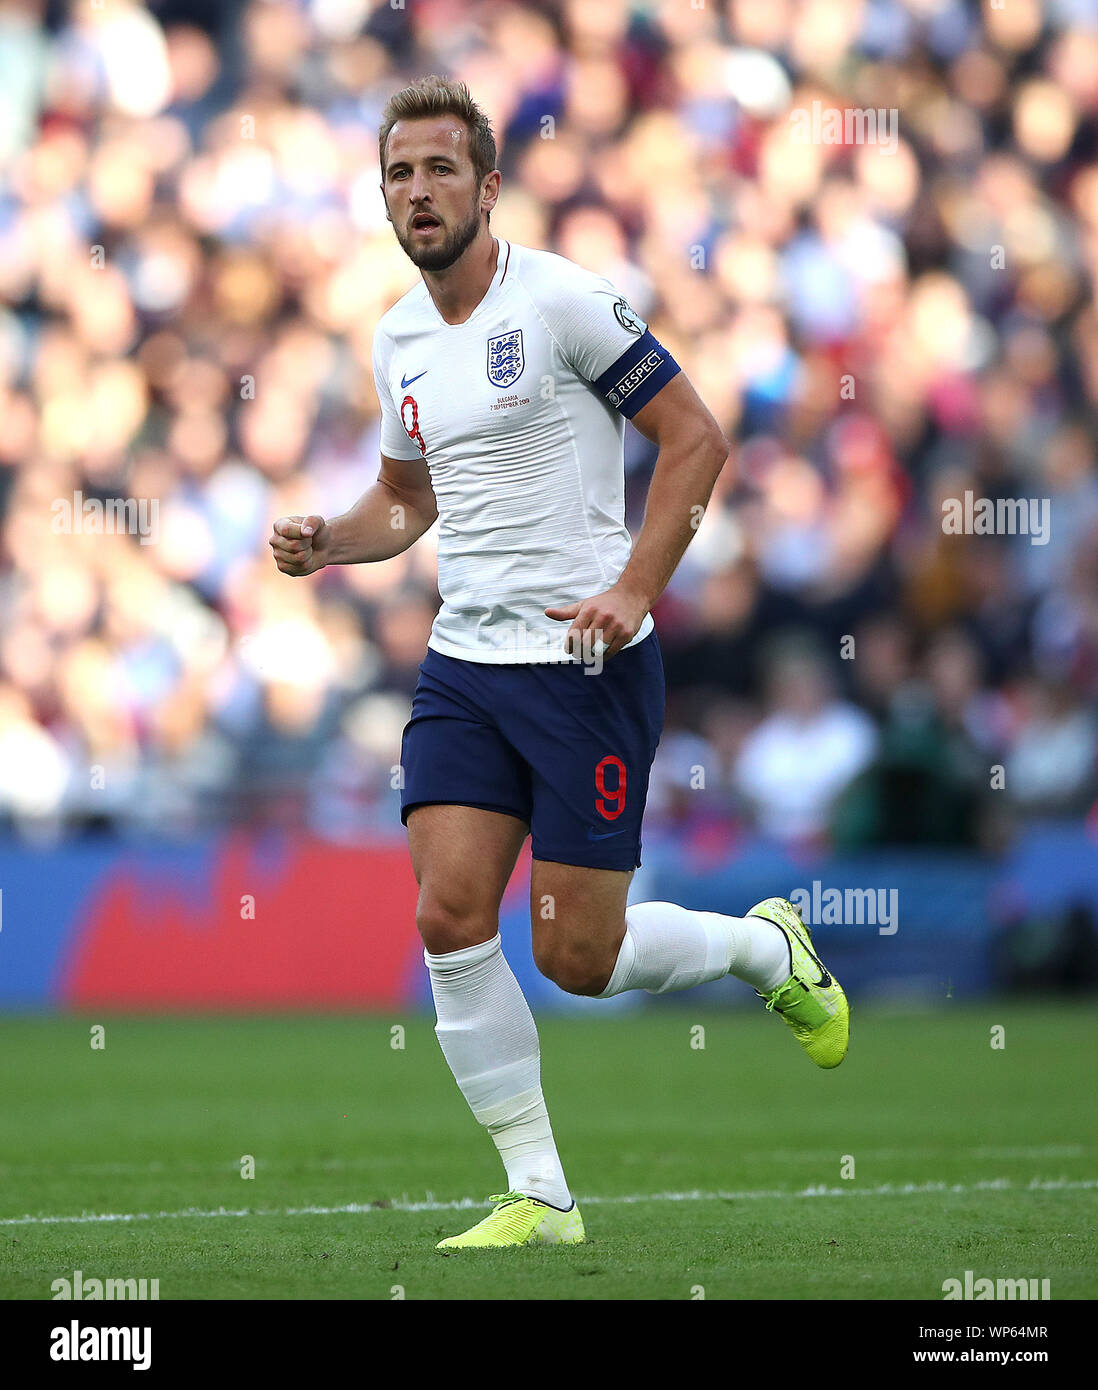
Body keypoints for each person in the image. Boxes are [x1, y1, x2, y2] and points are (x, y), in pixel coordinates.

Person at [269, 76, 849, 1251]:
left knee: (577, 958)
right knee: (445, 913)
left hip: (584, 664)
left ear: (488, 187)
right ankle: (541, 1192)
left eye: (439, 169)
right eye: (398, 173)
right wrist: (333, 542)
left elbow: (696, 438)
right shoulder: (396, 338)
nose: (417, 191)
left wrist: (637, 589)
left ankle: (762, 943)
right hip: (463, 667)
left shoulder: (568, 303)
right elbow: (404, 498)